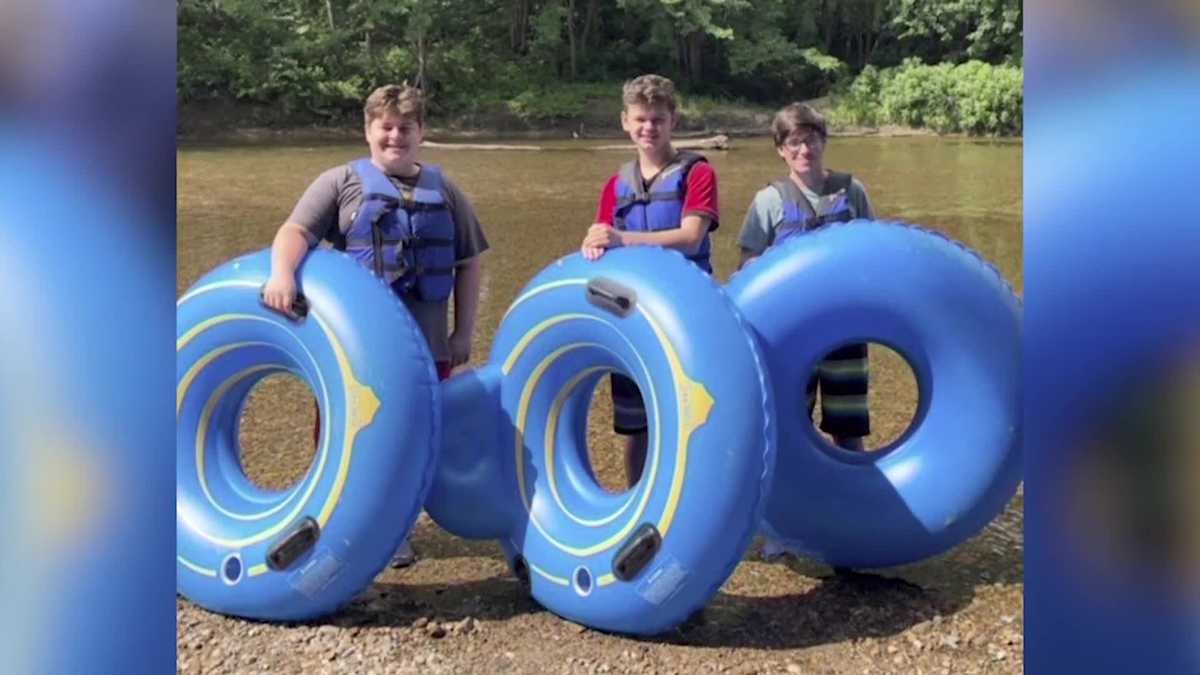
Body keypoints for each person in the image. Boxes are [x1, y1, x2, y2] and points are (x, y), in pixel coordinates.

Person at [261, 84, 489, 567]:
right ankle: (334, 523)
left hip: (428, 346)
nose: (395, 137)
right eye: (386, 127)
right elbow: (295, 231)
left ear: (421, 133)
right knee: (345, 435)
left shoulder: (445, 190)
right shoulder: (340, 181)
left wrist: (463, 332)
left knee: (415, 439)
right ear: (368, 130)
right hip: (357, 349)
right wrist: (281, 273)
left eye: (406, 128)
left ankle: (395, 529)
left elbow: (469, 262)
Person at [734, 103, 874, 561]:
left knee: (848, 427)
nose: (804, 149)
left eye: (811, 139)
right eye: (794, 142)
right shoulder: (769, 201)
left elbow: (877, 252)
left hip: (845, 332)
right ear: (781, 149)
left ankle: (857, 517)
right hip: (789, 339)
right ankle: (783, 526)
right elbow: (747, 263)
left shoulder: (851, 192)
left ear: (823, 141)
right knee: (788, 428)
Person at [579, 74, 719, 488]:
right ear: (625, 121)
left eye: (657, 119)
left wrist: (622, 238)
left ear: (673, 120)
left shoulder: (697, 174)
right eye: (640, 119)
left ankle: (693, 502)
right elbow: (602, 240)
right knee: (636, 425)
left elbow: (692, 237)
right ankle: (641, 501)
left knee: (690, 417)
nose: (648, 128)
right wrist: (593, 240)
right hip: (633, 315)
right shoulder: (615, 184)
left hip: (685, 314)